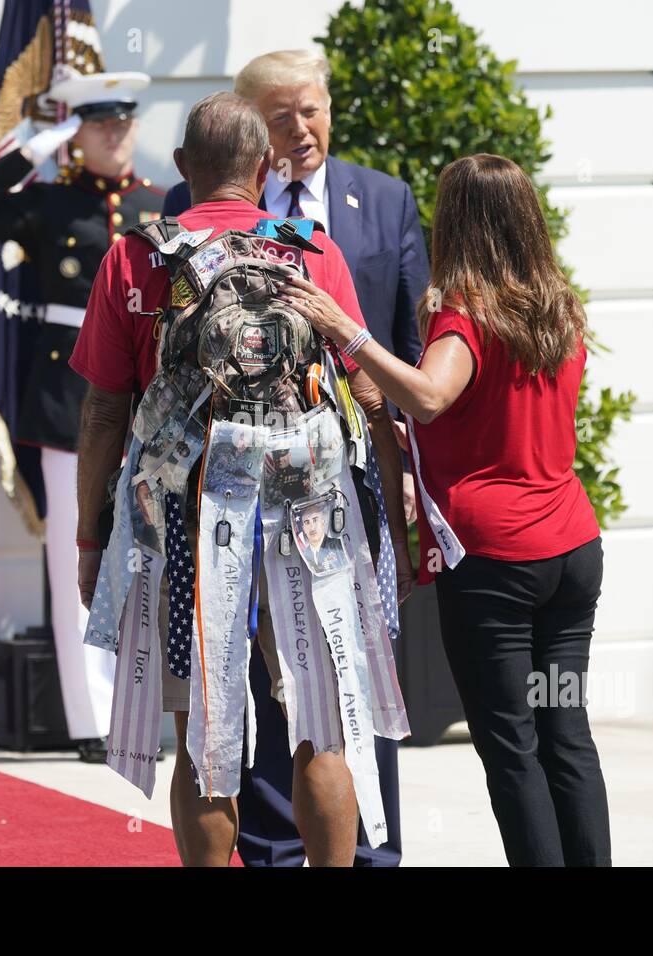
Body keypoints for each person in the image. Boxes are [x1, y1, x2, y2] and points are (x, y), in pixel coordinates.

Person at [72, 92, 412, 867]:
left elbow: (100, 414)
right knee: (319, 726)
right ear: (265, 168)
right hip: (307, 513)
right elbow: (363, 391)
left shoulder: (136, 256)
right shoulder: (310, 248)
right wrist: (391, 520)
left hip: (190, 520)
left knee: (207, 728)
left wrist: (92, 538)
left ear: (184, 170)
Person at [283, 153, 613, 866]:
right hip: (571, 546)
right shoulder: (558, 308)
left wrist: (349, 332)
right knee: (567, 735)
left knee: (511, 747)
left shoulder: (466, 318)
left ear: (459, 223)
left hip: (495, 559)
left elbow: (431, 396)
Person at [162, 48, 427, 868]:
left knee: (342, 682)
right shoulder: (180, 218)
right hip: (213, 498)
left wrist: (410, 483)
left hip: (337, 490)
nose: (300, 129)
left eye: (311, 109)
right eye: (280, 117)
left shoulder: (382, 203)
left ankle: (368, 856)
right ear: (250, 133)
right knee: (236, 699)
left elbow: (405, 358)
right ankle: (274, 850)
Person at [0, 72, 166, 763]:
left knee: (152, 561)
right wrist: (28, 151)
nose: (114, 132)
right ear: (78, 132)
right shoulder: (48, 205)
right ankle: (96, 721)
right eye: (98, 123)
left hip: (151, 406)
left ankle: (150, 713)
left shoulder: (160, 207)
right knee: (82, 557)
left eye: (122, 121)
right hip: (71, 403)